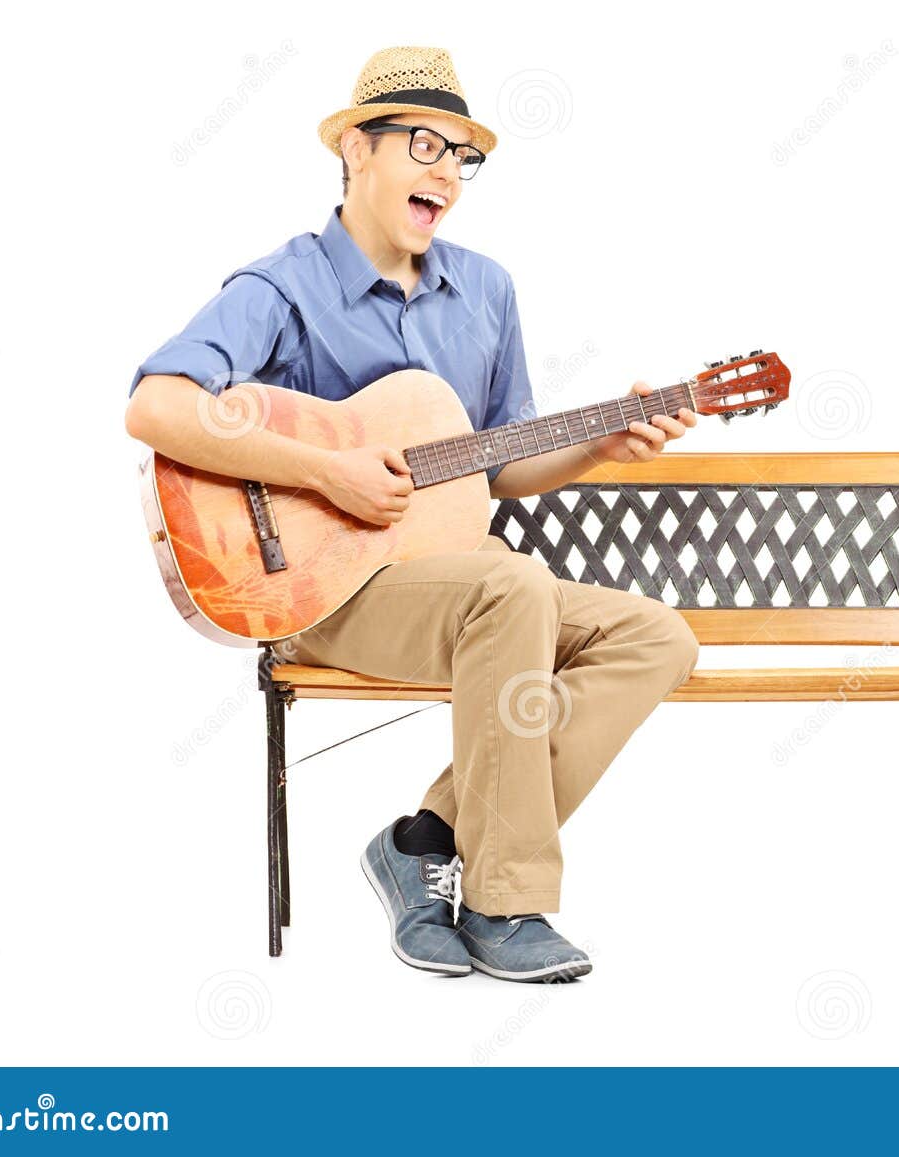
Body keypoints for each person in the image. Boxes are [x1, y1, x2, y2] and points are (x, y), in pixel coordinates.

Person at [124, 46, 700, 982]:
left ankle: (425, 836)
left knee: (656, 638)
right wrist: (328, 471)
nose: (445, 171)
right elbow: (157, 404)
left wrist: (602, 441)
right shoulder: (283, 286)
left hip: (458, 590)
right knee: (510, 583)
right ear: (356, 148)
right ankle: (508, 906)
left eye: (461, 156)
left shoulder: (486, 291)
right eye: (423, 144)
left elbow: (500, 463)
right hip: (319, 597)